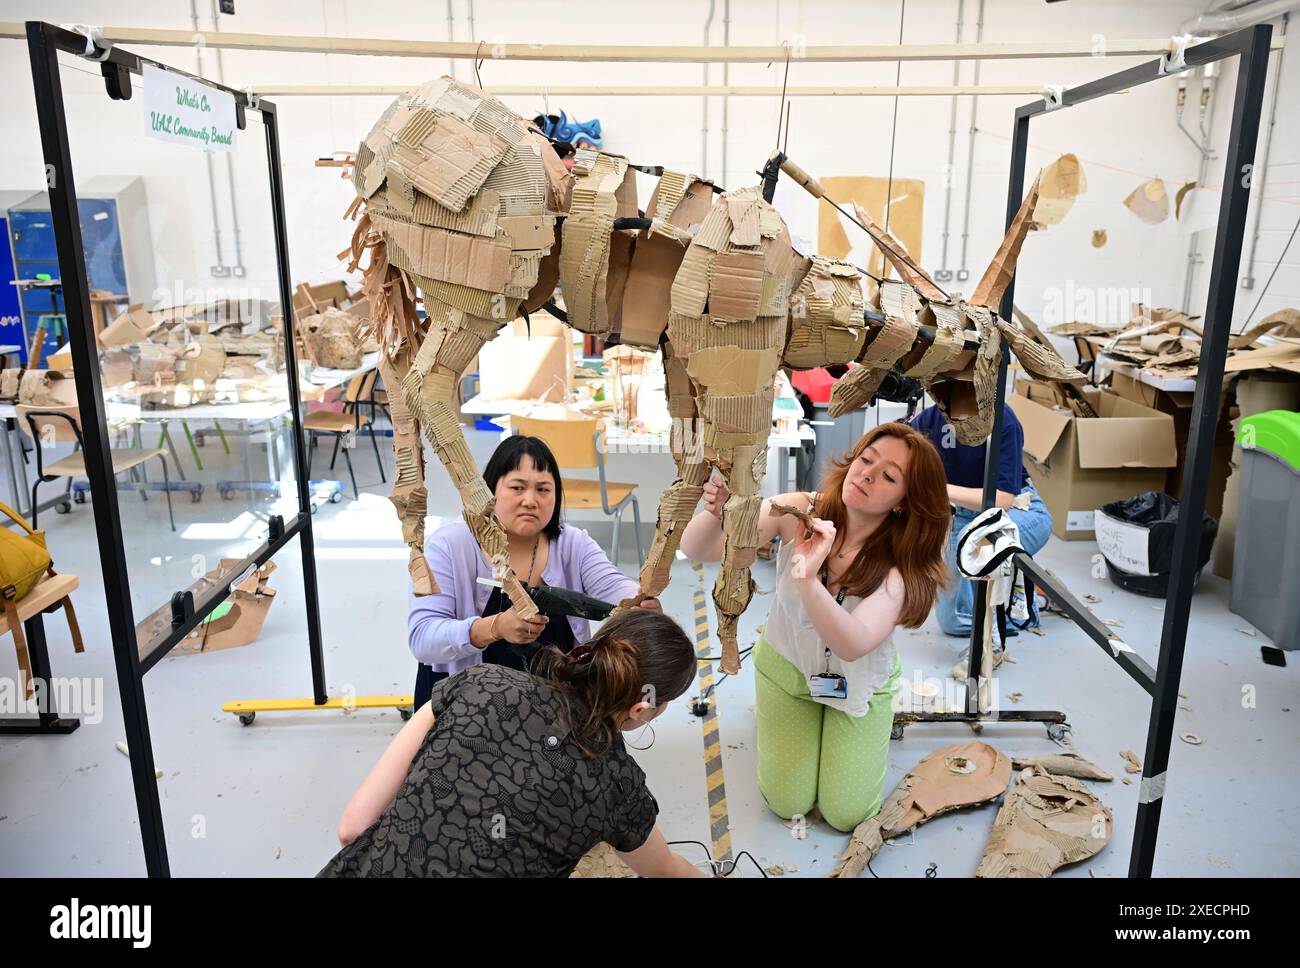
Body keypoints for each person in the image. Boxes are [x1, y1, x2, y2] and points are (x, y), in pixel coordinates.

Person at [679, 424, 950, 832]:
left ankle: (849, 729)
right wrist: (716, 515)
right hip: (789, 669)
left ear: (902, 502)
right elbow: (699, 549)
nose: (867, 475)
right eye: (866, 460)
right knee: (788, 803)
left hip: (856, 680)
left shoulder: (903, 564)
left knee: (847, 816)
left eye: (889, 476)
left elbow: (853, 644)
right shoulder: (800, 510)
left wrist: (807, 576)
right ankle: (794, 725)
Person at [320, 610, 707, 877]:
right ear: (642, 709)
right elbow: (665, 870)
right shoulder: (618, 787)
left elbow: (352, 829)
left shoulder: (479, 682)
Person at [408, 435, 659, 710]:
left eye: (543, 489)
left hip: (551, 709)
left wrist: (637, 603)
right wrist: (493, 627)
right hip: (465, 711)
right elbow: (423, 638)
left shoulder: (572, 544)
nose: (531, 500)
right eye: (517, 487)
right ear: (489, 491)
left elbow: (612, 585)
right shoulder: (448, 546)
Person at [909, 403, 1053, 637]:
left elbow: (1004, 499)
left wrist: (938, 490)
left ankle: (1023, 606)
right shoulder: (931, 418)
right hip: (967, 515)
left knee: (978, 547)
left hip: (1019, 509)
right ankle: (1017, 592)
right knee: (951, 621)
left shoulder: (1003, 419)